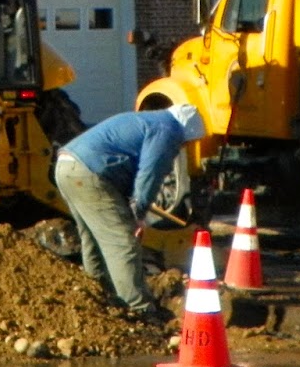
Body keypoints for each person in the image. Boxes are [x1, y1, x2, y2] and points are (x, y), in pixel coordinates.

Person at [53, 105, 207, 324]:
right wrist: (139, 213)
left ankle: (99, 298)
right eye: (188, 142)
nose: (185, 146)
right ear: (187, 133)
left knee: (93, 240)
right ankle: (139, 311)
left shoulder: (150, 120)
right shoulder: (167, 130)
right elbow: (150, 174)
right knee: (123, 242)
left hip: (66, 167)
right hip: (88, 172)